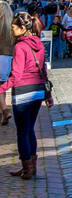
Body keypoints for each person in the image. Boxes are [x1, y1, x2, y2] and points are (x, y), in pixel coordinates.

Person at [1, 12, 51, 180]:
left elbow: (15, 75)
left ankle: (26, 167)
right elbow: (43, 70)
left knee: (22, 131)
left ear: (23, 28)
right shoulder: (39, 44)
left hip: (23, 92)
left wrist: (2, 88)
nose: (12, 31)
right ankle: (31, 166)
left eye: (14, 28)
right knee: (30, 129)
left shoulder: (20, 47)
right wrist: (48, 94)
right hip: (37, 91)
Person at [0, 0, 17, 128]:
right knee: (3, 86)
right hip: (10, 57)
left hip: (0, 57)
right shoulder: (12, 25)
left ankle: (5, 110)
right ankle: (4, 109)